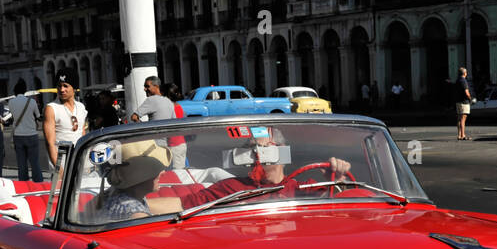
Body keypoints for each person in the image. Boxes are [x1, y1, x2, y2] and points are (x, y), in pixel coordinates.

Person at [144, 126, 352, 214]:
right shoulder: (232, 187)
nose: (256, 155)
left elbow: (345, 206)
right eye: (251, 148)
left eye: (262, 147)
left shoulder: (301, 188)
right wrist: (131, 206)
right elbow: (182, 203)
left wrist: (339, 179)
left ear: (281, 151)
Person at [45, 70, 88, 179]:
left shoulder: (81, 107)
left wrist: (85, 161)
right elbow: (50, 143)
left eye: (65, 86)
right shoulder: (51, 108)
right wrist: (60, 171)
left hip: (79, 163)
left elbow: (82, 134)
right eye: (59, 86)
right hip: (61, 165)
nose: (61, 89)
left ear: (74, 88)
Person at [10, 88, 44, 182]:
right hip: (31, 134)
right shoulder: (32, 101)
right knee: (34, 162)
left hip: (18, 135)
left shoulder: (11, 102)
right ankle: (38, 182)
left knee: (21, 163)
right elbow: (37, 116)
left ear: (15, 92)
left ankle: (23, 182)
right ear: (25, 91)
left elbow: (13, 116)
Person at [162, 81, 188, 168]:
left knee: (177, 174)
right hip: (181, 143)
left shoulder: (169, 108)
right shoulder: (179, 106)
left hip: (174, 146)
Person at [454, 67, 475, 141]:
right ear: (465, 73)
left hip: (458, 101)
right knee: (463, 119)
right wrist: (471, 99)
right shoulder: (464, 81)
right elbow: (466, 92)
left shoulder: (457, 81)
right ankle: (463, 135)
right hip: (464, 102)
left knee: (459, 119)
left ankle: (459, 135)